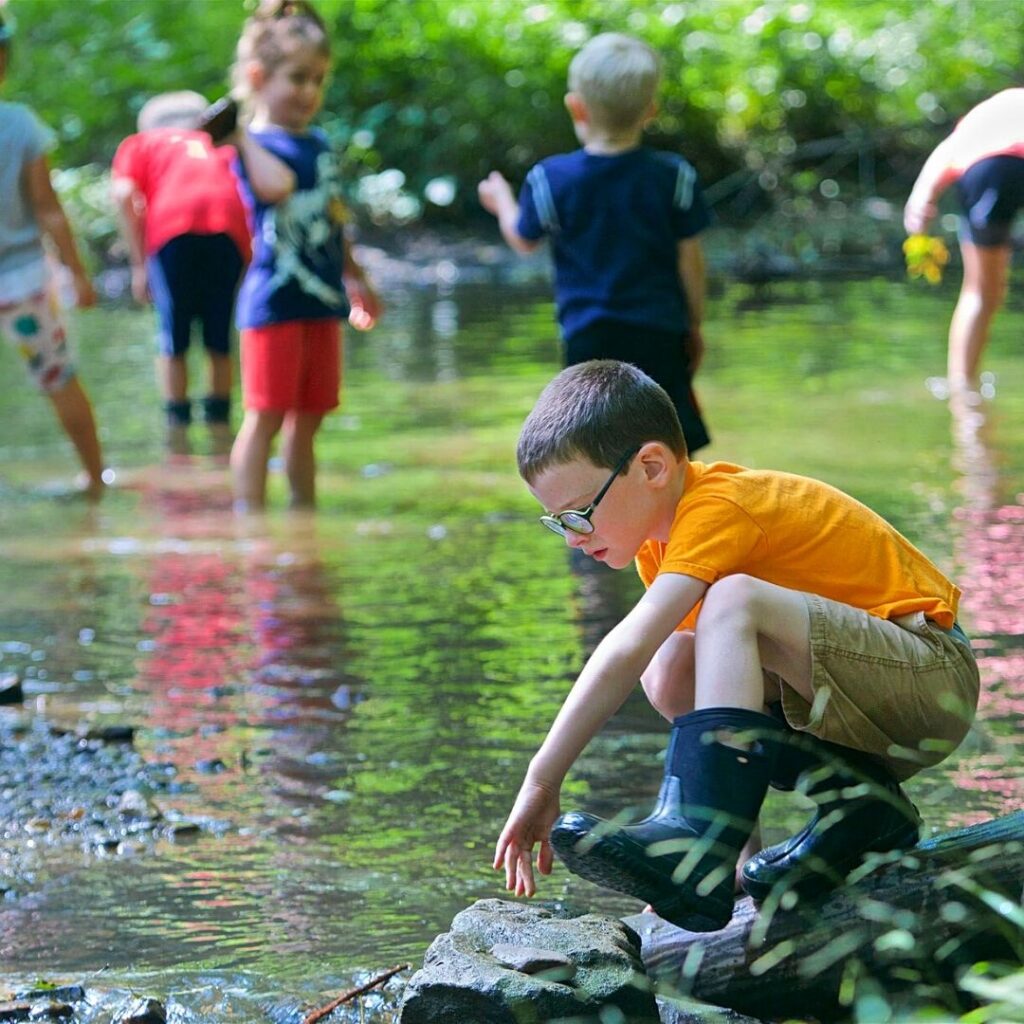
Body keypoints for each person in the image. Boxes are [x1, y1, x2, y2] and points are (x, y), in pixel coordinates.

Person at [494, 360, 979, 932]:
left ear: (651, 466)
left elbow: (622, 649)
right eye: (557, 524)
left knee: (730, 604)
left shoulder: (718, 507)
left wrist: (542, 780)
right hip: (868, 701)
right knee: (674, 666)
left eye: (578, 515)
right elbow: (717, 693)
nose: (573, 540)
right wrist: (738, 873)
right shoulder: (659, 543)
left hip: (931, 675)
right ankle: (851, 814)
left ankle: (697, 845)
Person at [477, 32, 713, 455]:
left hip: (588, 334)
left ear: (577, 106)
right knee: (671, 443)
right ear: (651, 110)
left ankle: (598, 519)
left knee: (595, 448)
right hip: (660, 329)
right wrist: (694, 323)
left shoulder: (550, 178)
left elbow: (524, 240)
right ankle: (683, 518)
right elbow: (690, 261)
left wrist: (502, 203)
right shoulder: (674, 176)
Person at [222, 0, 379, 511]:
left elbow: (334, 217)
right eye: (297, 78)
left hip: (322, 298)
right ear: (258, 76)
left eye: (318, 80)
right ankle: (250, 519)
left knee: (308, 419)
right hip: (274, 301)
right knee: (266, 417)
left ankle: (301, 514)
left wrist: (356, 276)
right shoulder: (253, 143)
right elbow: (276, 187)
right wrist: (239, 132)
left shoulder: (318, 141)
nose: (309, 92)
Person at [0, 12, 106, 499]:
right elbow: (48, 209)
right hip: (21, 280)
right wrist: (76, 273)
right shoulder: (20, 125)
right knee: (58, 376)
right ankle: (93, 478)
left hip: (20, 277)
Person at [111, 90, 251, 444]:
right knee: (219, 335)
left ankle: (178, 435)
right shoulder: (216, 142)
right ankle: (221, 431)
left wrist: (140, 266)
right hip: (229, 231)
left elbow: (124, 194)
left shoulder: (140, 144)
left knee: (174, 334)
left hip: (172, 231)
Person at [904, 88, 1024, 395]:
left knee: (980, 293)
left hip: (984, 172)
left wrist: (922, 199)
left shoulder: (985, 114)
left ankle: (962, 393)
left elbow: (945, 154)